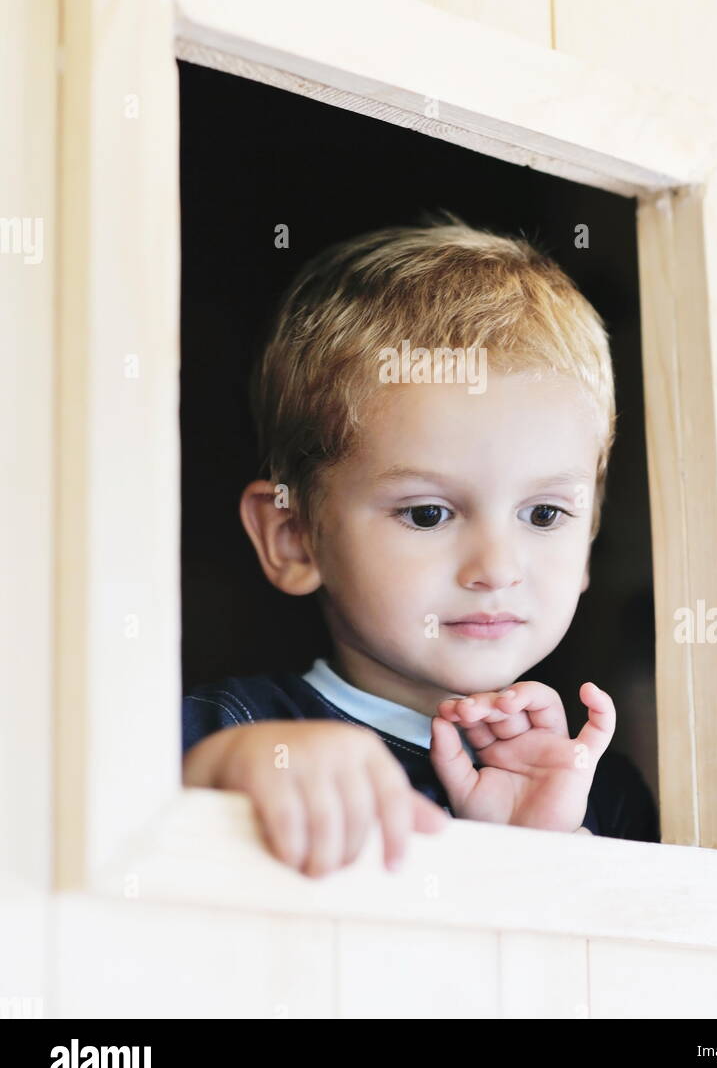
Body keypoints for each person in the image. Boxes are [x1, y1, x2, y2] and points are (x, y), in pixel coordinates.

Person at [182, 214, 660, 878]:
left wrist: (545, 850)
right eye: (430, 514)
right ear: (293, 536)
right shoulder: (240, 727)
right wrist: (225, 770)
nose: (496, 568)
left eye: (545, 513)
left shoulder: (602, 793)